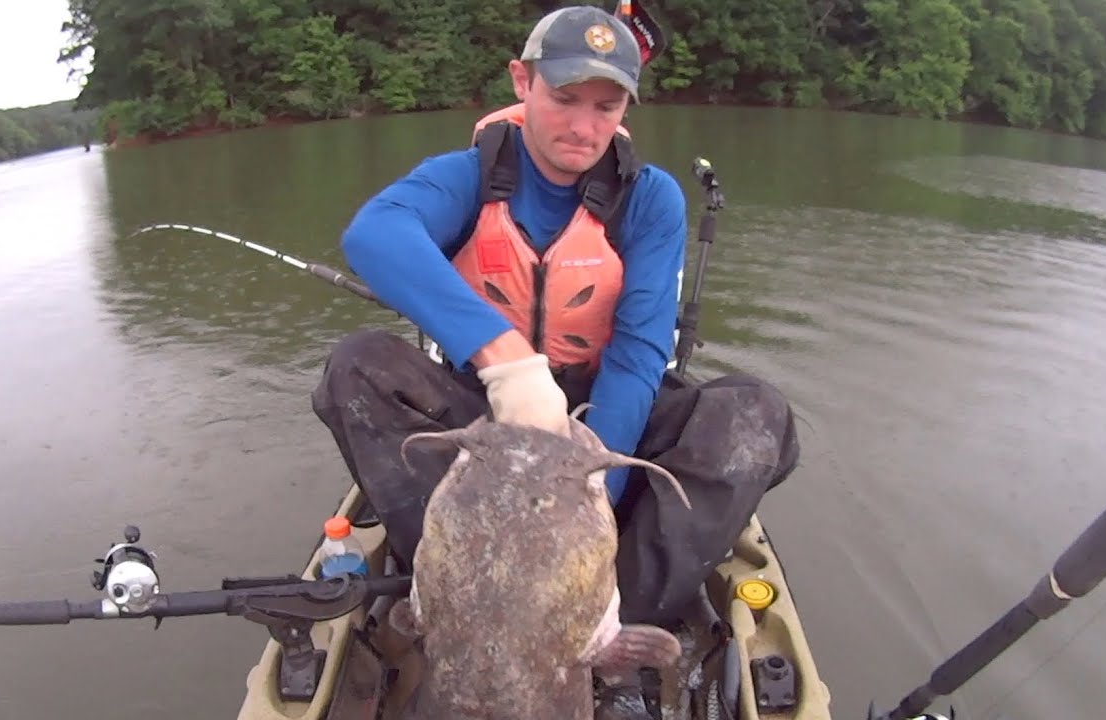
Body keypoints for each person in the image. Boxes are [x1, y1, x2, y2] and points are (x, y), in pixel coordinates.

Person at [313, 0, 799, 670]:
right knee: (357, 366)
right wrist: (505, 362)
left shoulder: (650, 199)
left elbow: (636, 359)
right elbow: (373, 234)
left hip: (601, 413)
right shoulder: (469, 175)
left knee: (756, 415)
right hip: (489, 412)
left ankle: (611, 625)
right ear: (522, 82)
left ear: (628, 108)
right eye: (565, 97)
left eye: (607, 106)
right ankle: (455, 590)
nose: (583, 125)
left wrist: (591, 485)